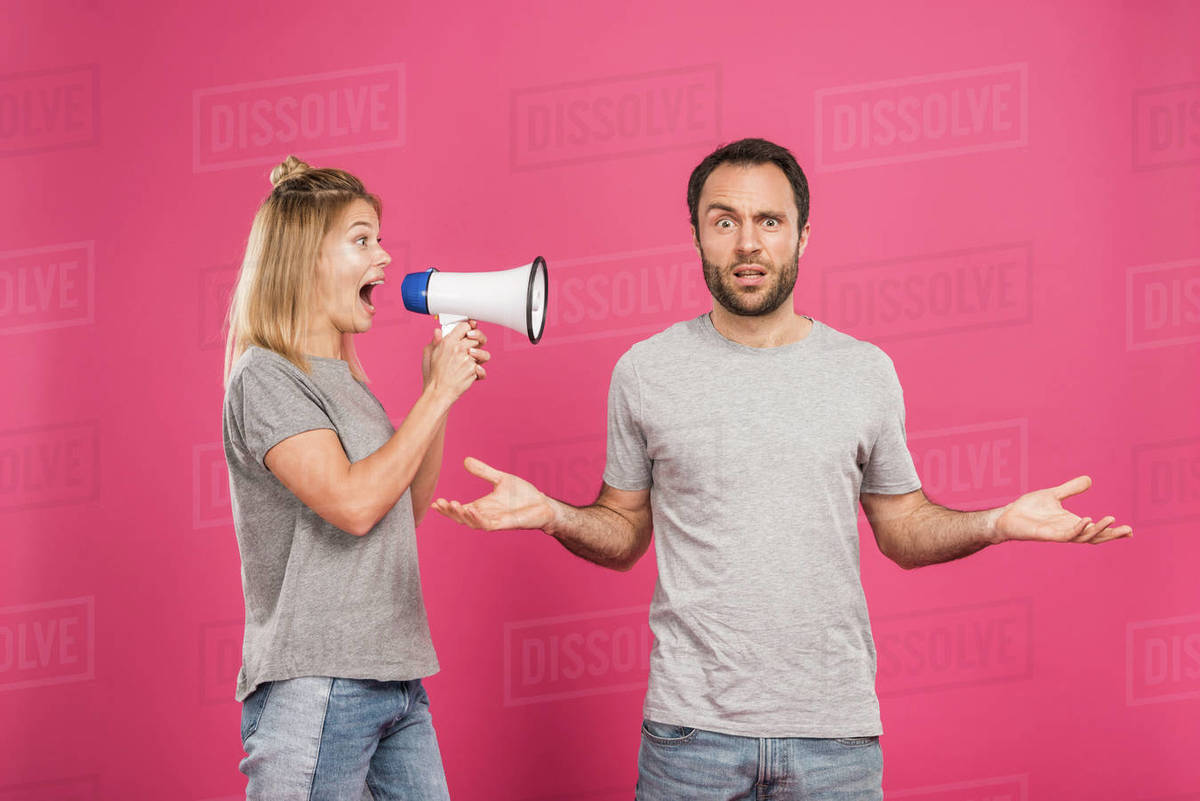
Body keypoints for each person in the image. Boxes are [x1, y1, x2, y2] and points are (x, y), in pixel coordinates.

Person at [431, 138, 1132, 800]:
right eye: (724, 220)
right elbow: (623, 532)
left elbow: (904, 527)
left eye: (769, 220)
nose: (747, 243)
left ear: (802, 235)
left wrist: (998, 521)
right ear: (698, 236)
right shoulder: (645, 372)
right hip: (689, 737)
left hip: (836, 737)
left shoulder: (865, 371)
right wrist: (551, 512)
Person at [221, 155, 489, 800]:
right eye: (362, 239)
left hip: (393, 678)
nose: (386, 258)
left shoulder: (344, 382)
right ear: (305, 258)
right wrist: (432, 398)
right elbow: (353, 506)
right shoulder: (265, 377)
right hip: (319, 682)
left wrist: (438, 397)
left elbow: (404, 507)